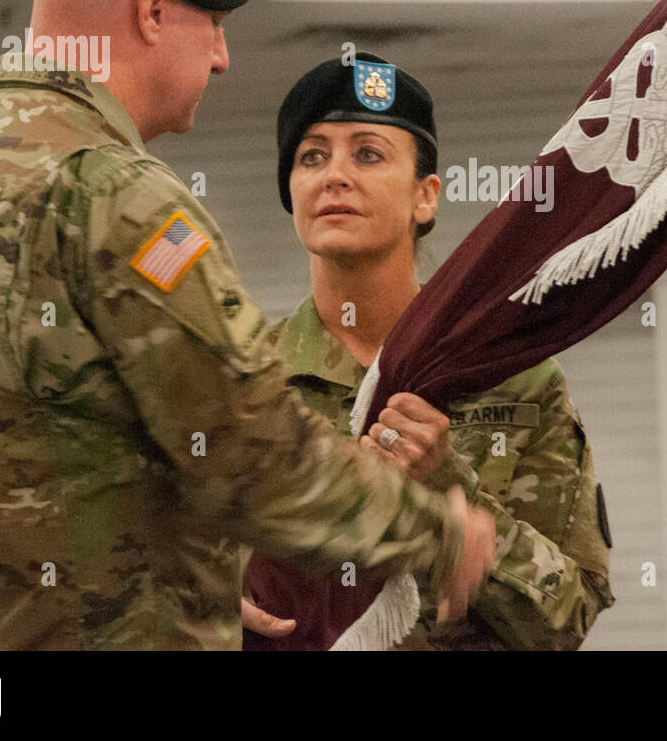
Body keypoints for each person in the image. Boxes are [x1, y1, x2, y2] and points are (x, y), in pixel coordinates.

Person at [0, 0, 494, 650]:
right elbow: (253, 450)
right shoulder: (118, 194)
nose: (221, 57)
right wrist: (438, 531)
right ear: (153, 8)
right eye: (213, 21)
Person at [240, 53, 615, 650]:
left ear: (425, 197)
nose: (335, 175)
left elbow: (568, 617)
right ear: (292, 191)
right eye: (312, 156)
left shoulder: (510, 375)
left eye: (368, 154)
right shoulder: (243, 376)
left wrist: (448, 488)